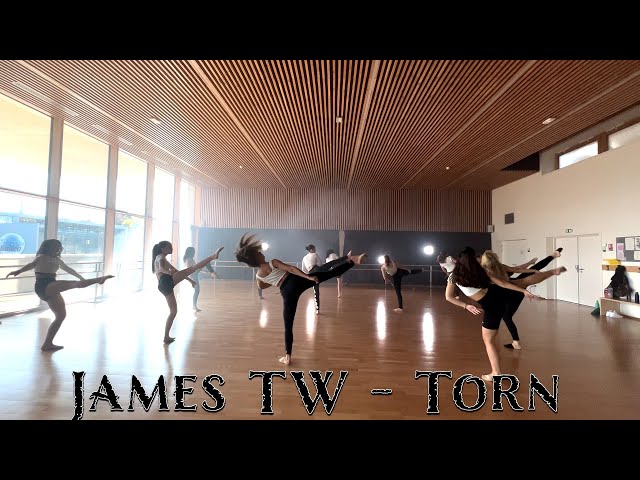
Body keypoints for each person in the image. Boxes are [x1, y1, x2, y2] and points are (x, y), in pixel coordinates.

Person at [235, 233, 366, 366]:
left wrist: (276, 282)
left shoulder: (259, 276)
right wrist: (308, 277)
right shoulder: (272, 262)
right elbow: (291, 269)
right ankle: (353, 261)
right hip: (296, 281)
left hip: (286, 292)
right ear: (256, 257)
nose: (261, 253)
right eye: (259, 253)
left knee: (288, 325)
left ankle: (287, 356)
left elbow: (262, 286)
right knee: (329, 273)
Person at [446, 247, 546, 382]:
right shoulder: (480, 270)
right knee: (520, 283)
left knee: (489, 341)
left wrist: (466, 306)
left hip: (491, 306)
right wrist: (522, 291)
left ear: (458, 260)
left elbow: (449, 297)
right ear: (474, 259)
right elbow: (502, 283)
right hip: (499, 297)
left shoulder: (454, 276)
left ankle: (496, 373)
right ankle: (498, 368)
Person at [5, 239, 114, 351]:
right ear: (49, 247)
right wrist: (18, 271)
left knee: (61, 316)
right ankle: (98, 279)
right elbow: (31, 265)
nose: (58, 249)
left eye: (59, 247)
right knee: (75, 284)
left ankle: (47, 344)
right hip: (44, 285)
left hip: (51, 286)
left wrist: (80, 276)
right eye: (56, 247)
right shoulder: (41, 257)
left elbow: (68, 269)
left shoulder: (57, 260)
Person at [481, 249, 566, 349]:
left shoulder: (486, 272)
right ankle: (553, 257)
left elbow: (505, 281)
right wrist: (532, 269)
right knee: (528, 275)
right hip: (514, 288)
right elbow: (517, 269)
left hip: (511, 292)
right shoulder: (500, 266)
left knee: (507, 317)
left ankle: (516, 343)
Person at [152, 241, 223, 344]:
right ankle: (213, 256)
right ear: (163, 248)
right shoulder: (160, 257)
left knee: (173, 312)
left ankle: (166, 337)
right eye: (169, 247)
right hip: (166, 281)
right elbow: (162, 268)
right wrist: (168, 272)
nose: (172, 248)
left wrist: (190, 281)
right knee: (193, 268)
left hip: (164, 285)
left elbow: (177, 272)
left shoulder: (161, 258)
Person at [183, 246, 215, 312]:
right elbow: (190, 269)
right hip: (193, 275)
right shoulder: (189, 259)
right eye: (194, 252)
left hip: (195, 274)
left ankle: (194, 306)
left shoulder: (189, 259)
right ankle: (194, 306)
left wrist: (204, 272)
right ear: (191, 252)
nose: (194, 253)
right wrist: (191, 278)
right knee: (197, 291)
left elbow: (194, 268)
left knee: (197, 291)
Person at [301, 244, 323, 314]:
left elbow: (303, 269)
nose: (315, 250)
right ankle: (317, 308)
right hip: (316, 271)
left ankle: (317, 309)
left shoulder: (304, 257)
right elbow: (320, 263)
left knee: (316, 291)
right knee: (317, 290)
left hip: (311, 273)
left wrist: (308, 276)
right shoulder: (315, 254)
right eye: (314, 249)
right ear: (311, 250)